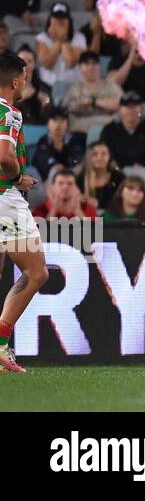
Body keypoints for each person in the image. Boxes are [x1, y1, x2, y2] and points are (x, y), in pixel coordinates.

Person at [0, 51, 49, 372]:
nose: (26, 81)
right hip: (5, 197)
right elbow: (4, 156)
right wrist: (20, 178)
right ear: (16, 80)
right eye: (25, 76)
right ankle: (1, 345)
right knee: (37, 273)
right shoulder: (10, 113)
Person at [100, 92, 145, 168]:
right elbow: (104, 156)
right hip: (117, 173)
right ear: (119, 110)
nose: (131, 110)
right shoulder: (109, 130)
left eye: (135, 106)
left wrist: (144, 166)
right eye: (127, 106)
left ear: (141, 109)